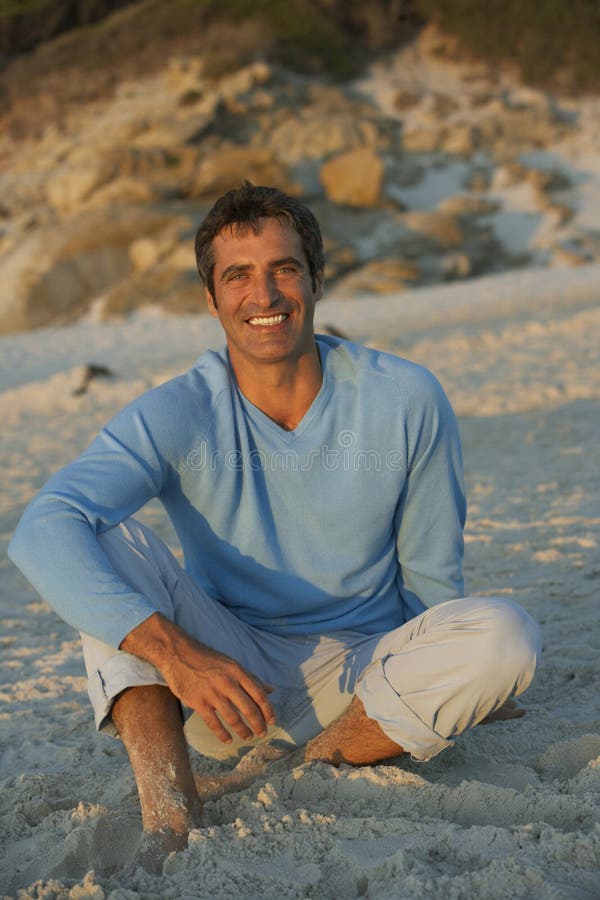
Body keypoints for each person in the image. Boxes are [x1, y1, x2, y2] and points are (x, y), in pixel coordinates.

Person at [9, 182, 541, 868]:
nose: (263, 295)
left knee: (506, 633)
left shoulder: (405, 396)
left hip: (367, 678)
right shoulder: (180, 410)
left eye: (284, 269)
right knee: (104, 540)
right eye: (238, 275)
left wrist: (461, 676)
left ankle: (300, 767)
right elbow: (43, 527)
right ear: (211, 299)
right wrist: (178, 656)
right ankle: (170, 814)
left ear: (316, 279)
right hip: (228, 691)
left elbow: (434, 581)